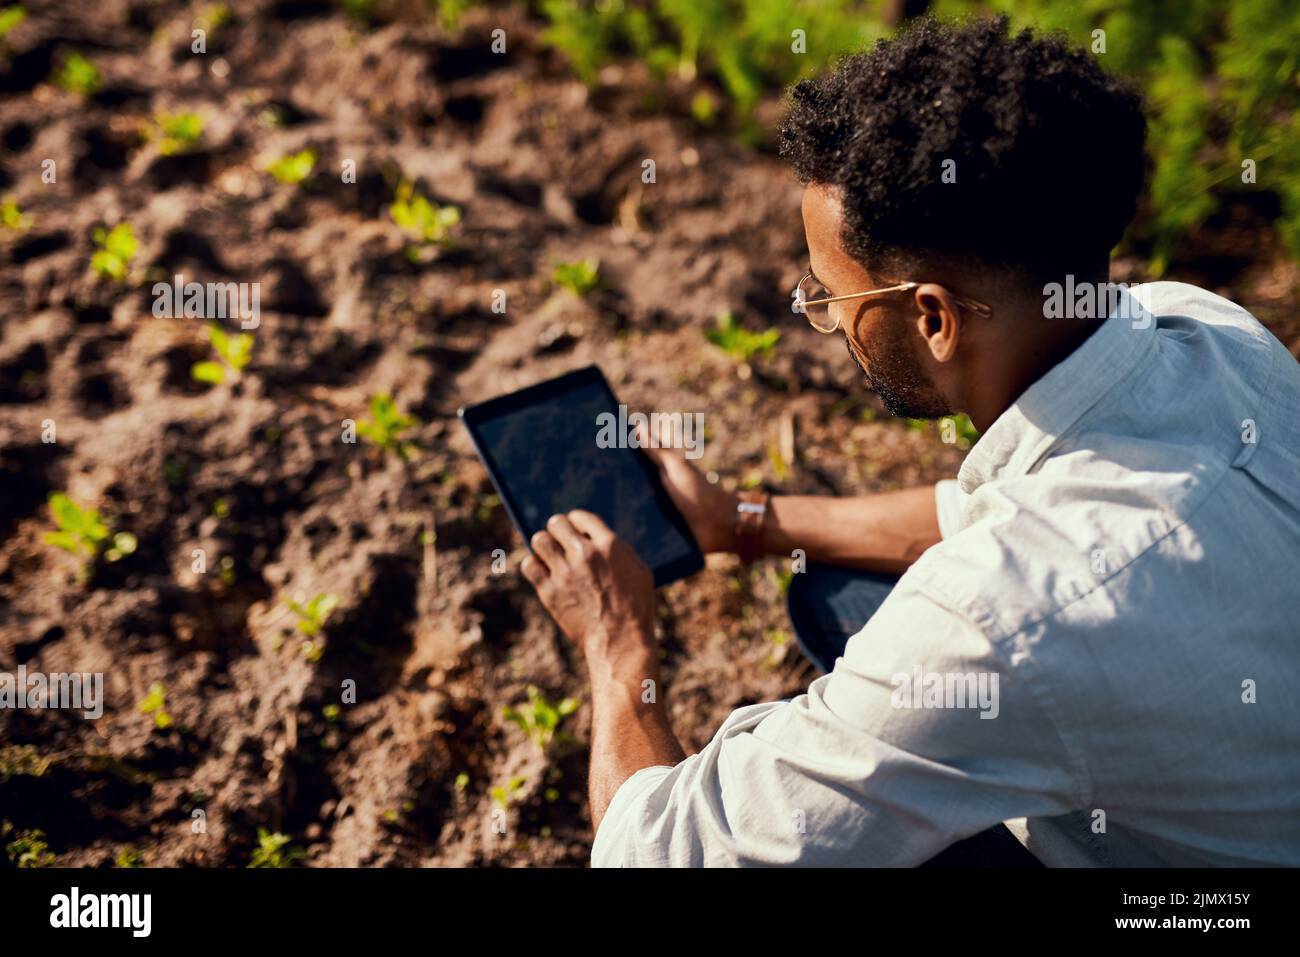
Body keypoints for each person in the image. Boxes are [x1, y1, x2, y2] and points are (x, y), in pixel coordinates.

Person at [518, 17, 1300, 866]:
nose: (824, 318)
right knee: (837, 594)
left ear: (930, 316)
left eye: (830, 296)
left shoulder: (1000, 618)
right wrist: (744, 520)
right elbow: (1005, 524)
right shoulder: (1205, 326)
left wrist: (615, 640)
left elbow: (659, 853)